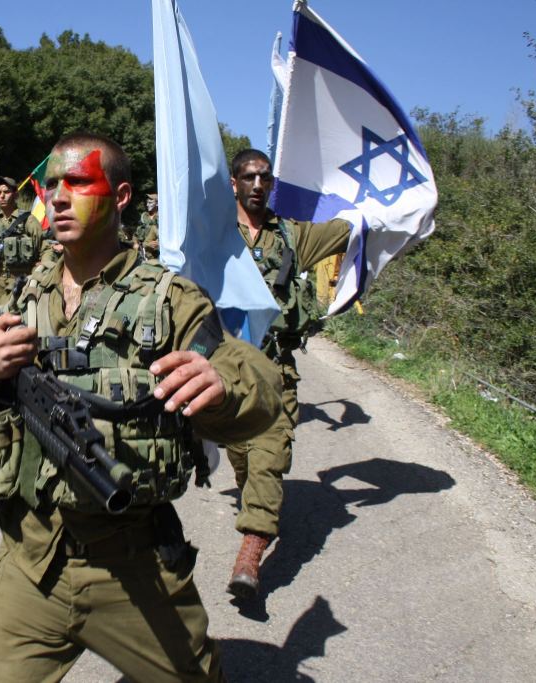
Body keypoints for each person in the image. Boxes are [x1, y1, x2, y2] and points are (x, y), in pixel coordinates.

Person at [0, 133, 282, 682]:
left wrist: (222, 383)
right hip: (31, 562)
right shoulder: (24, 295)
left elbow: (260, 386)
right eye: (52, 184)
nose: (58, 196)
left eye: (77, 182)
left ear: (120, 196)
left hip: (134, 565)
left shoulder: (168, 300)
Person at [225, 149, 351, 598]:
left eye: (265, 177)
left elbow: (347, 228)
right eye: (249, 177)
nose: (258, 185)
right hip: (228, 372)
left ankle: (250, 553)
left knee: (270, 452)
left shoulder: (293, 237)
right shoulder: (214, 234)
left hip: (276, 368)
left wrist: (383, 205)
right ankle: (255, 500)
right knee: (242, 456)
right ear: (234, 183)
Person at [0, 175, 45, 307]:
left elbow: (44, 248)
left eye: (6, 192)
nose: (2, 196)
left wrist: (37, 274)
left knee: (15, 316)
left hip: (19, 279)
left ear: (15, 195)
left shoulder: (28, 220)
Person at [135, 192, 160, 258]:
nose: (147, 205)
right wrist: (135, 243)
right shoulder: (144, 217)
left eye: (150, 203)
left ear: (157, 204)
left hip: (156, 253)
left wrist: (158, 243)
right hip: (143, 250)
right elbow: (136, 235)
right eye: (147, 202)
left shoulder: (161, 218)